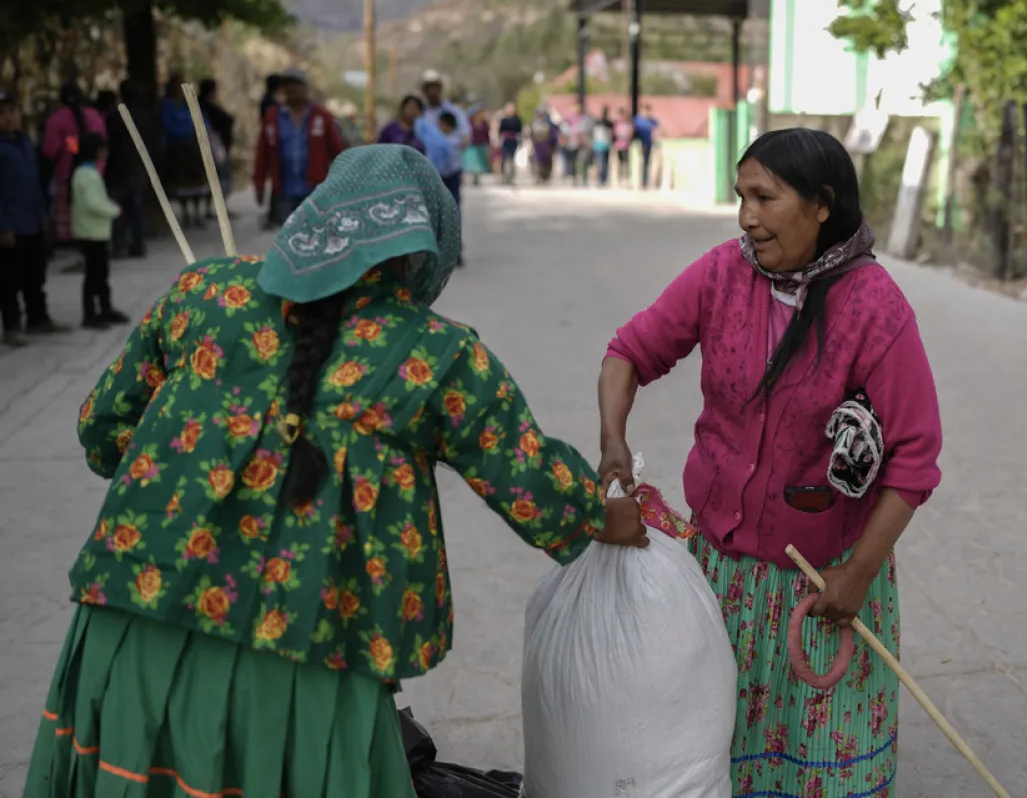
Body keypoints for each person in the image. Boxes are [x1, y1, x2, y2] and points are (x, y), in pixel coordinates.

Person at [22, 144, 648, 798]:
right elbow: (533, 486)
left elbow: (102, 433)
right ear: (420, 250)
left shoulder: (203, 291)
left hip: (133, 616)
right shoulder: (437, 352)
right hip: (311, 646)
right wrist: (606, 516)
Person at [598, 127, 943, 797]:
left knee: (810, 767)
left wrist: (857, 572)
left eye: (765, 197)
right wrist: (614, 436)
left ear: (821, 203)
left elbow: (915, 457)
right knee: (710, 760)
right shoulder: (720, 276)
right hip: (718, 575)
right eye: (741, 196)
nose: (746, 216)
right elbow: (628, 352)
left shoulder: (875, 307)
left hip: (820, 589)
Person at [0, 92, 66, 346]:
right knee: (9, 279)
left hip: (33, 219)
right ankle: (12, 325)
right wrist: (3, 226)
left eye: (12, 112)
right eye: (3, 114)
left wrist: (43, 216)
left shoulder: (25, 142)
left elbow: (35, 183)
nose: (8, 118)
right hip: (10, 224)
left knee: (35, 274)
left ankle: (38, 318)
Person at [254, 67, 346, 229]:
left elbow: (337, 151)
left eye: (296, 83)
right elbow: (263, 153)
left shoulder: (321, 116)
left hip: (315, 190)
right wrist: (259, 183)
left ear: (305, 87)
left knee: (315, 233)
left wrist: (343, 183)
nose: (291, 88)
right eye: (287, 84)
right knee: (288, 237)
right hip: (284, 191)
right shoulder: (272, 116)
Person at [70, 132, 127, 329]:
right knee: (93, 276)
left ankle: (105, 309)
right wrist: (115, 210)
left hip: (97, 233)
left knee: (101, 275)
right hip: (91, 234)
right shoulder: (87, 175)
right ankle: (90, 315)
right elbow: (94, 204)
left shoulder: (88, 173)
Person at [42, 82, 106, 244]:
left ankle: (69, 238)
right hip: (95, 171)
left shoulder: (56, 119)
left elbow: (50, 150)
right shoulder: (94, 116)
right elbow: (102, 141)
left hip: (66, 173)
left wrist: (70, 148)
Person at [103, 78, 148, 258]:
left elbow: (109, 140)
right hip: (136, 166)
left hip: (117, 167)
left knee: (116, 207)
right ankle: (138, 243)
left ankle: (119, 243)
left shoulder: (114, 115)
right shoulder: (144, 116)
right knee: (135, 208)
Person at [415, 70, 470, 209]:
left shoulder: (454, 112)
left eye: (435, 87)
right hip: (428, 173)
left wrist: (447, 145)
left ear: (440, 88)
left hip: (451, 171)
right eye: (428, 88)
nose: (432, 91)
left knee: (452, 210)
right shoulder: (421, 115)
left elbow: (465, 137)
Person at [159, 76, 211, 225]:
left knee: (198, 183)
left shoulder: (188, 104)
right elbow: (167, 125)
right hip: (178, 149)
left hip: (194, 147)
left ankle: (197, 213)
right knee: (182, 184)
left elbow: (203, 121)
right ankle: (186, 213)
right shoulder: (166, 106)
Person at [198, 78, 235, 217]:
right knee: (220, 177)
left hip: (216, 145)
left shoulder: (208, 105)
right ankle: (219, 208)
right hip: (213, 147)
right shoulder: (206, 107)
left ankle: (217, 208)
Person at [634, 103, 660, 189]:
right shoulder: (637, 120)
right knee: (640, 163)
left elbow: (659, 131)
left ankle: (646, 181)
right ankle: (639, 181)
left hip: (650, 144)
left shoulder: (652, 121)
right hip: (640, 144)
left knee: (648, 163)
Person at [496, 102, 523, 185]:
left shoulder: (517, 120)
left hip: (513, 141)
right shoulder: (504, 120)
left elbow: (519, 131)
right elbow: (500, 131)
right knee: (504, 159)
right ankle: (504, 177)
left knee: (511, 159)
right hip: (505, 141)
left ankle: (511, 177)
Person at [529, 109, 558, 184]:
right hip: (537, 146)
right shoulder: (534, 124)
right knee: (536, 162)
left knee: (547, 163)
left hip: (547, 146)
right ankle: (538, 176)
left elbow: (553, 135)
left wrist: (554, 145)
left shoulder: (549, 124)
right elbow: (531, 135)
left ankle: (545, 177)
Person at [464, 108, 492, 186]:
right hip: (472, 145)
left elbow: (487, 135)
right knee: (473, 162)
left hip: (481, 145)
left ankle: (477, 177)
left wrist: (488, 144)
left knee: (480, 162)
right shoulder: (470, 123)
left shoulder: (484, 123)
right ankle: (474, 177)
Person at [612, 105, 634, 187]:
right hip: (618, 146)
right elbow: (614, 135)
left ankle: (625, 179)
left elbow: (631, 135)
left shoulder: (629, 124)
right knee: (617, 163)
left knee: (625, 163)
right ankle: (617, 179)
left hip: (626, 146)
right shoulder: (617, 124)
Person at [592, 106, 614, 187]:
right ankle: (600, 178)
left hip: (605, 146)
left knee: (604, 163)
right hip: (599, 146)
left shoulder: (609, 123)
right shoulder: (598, 122)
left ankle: (603, 179)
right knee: (600, 163)